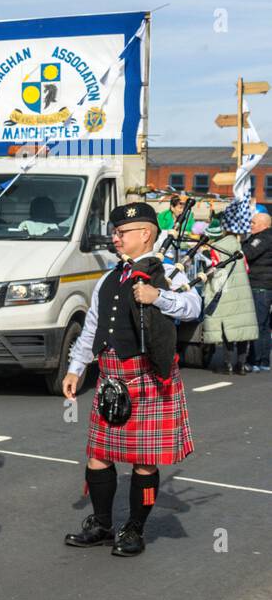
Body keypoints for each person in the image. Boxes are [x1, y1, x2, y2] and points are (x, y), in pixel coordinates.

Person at [61, 202, 200, 556]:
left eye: (122, 233)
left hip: (147, 377)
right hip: (111, 376)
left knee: (144, 460)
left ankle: (136, 527)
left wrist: (159, 296)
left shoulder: (168, 270)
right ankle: (102, 523)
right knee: (98, 455)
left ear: (145, 234)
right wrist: (77, 367)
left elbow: (193, 306)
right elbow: (93, 326)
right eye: (115, 232)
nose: (115, 237)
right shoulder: (111, 276)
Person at [201, 211, 258, 374]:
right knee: (241, 329)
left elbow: (213, 270)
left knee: (227, 329)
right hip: (242, 292)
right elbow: (246, 268)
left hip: (224, 292)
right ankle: (241, 364)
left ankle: (227, 365)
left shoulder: (214, 248)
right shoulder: (238, 245)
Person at [243, 211, 272, 371]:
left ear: (263, 225)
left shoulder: (262, 238)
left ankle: (254, 361)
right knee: (265, 325)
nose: (251, 225)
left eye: (253, 223)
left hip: (259, 285)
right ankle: (263, 362)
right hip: (265, 285)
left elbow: (247, 253)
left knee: (257, 324)